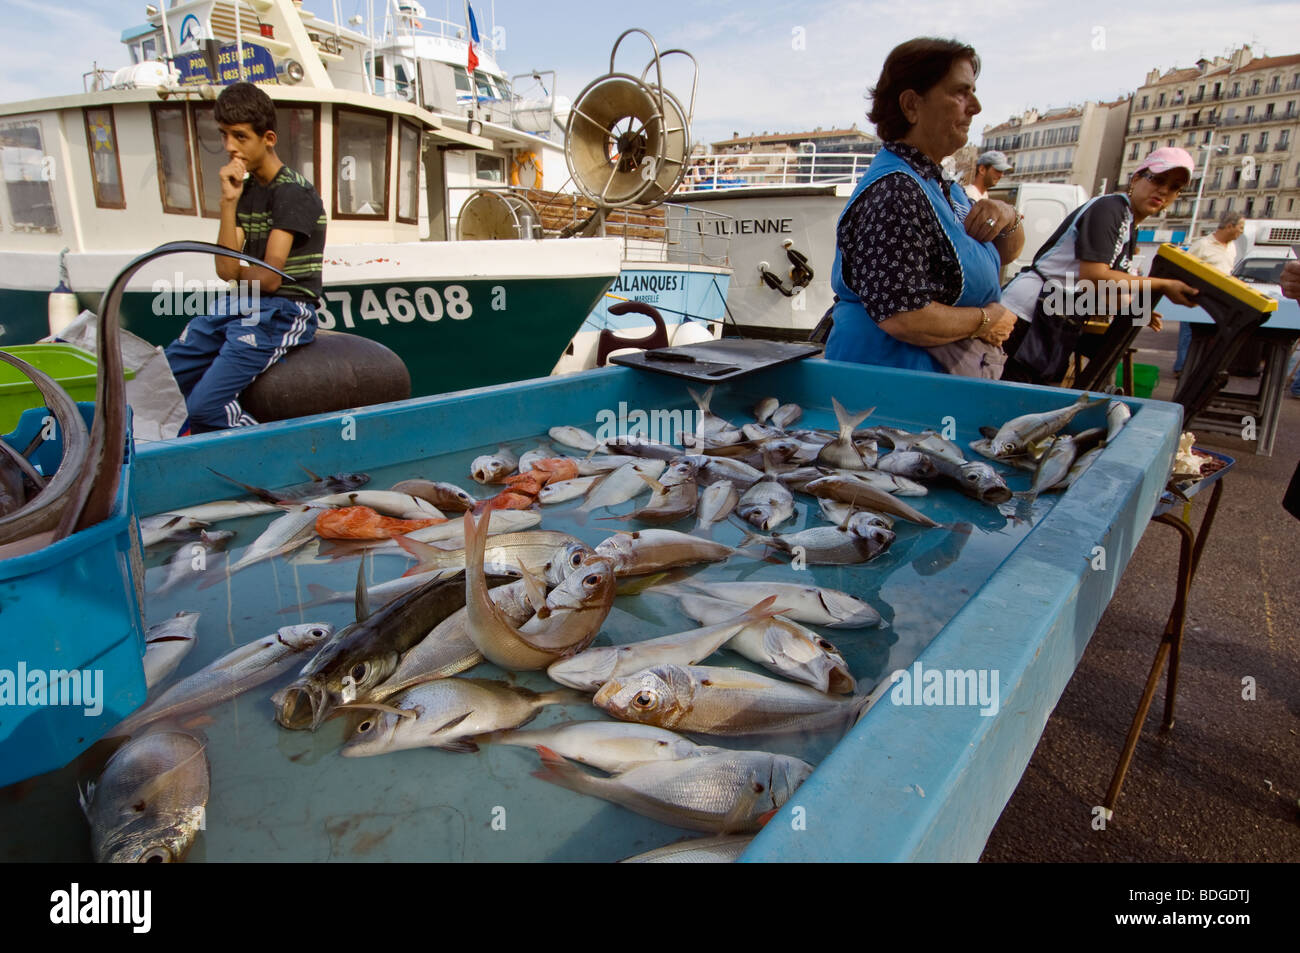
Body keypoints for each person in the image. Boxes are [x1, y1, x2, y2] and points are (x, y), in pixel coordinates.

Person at [825, 38, 1024, 378]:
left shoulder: (943, 185)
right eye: (961, 92)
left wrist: (1009, 218)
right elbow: (903, 315)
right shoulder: (896, 189)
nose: (975, 106)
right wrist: (986, 320)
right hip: (894, 391)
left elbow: (1004, 254)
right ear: (911, 105)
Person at [164, 82, 326, 434]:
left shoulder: (294, 192)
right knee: (166, 375)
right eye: (223, 135)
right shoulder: (246, 192)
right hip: (241, 302)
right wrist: (228, 201)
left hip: (284, 310)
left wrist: (240, 271)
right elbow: (225, 268)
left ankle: (272, 453)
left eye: (239, 137)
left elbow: (270, 278)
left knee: (207, 406)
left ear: (268, 138)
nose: (229, 148)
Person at [999, 146, 1200, 385]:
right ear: (1136, 178)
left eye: (1174, 187)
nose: (1164, 190)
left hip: (1053, 315)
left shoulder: (1128, 223)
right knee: (1009, 400)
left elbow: (1108, 286)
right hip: (1026, 316)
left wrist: (1138, 311)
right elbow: (1094, 276)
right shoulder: (1110, 208)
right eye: (1157, 179)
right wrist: (1162, 285)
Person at [1173, 210, 1246, 374]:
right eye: (1240, 227)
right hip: (1198, 296)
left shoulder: (1232, 247)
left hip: (1219, 299)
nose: (1242, 232)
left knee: (1208, 335)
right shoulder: (1202, 245)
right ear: (1229, 226)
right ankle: (1182, 368)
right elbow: (1184, 268)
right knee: (1189, 333)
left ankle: (1196, 367)